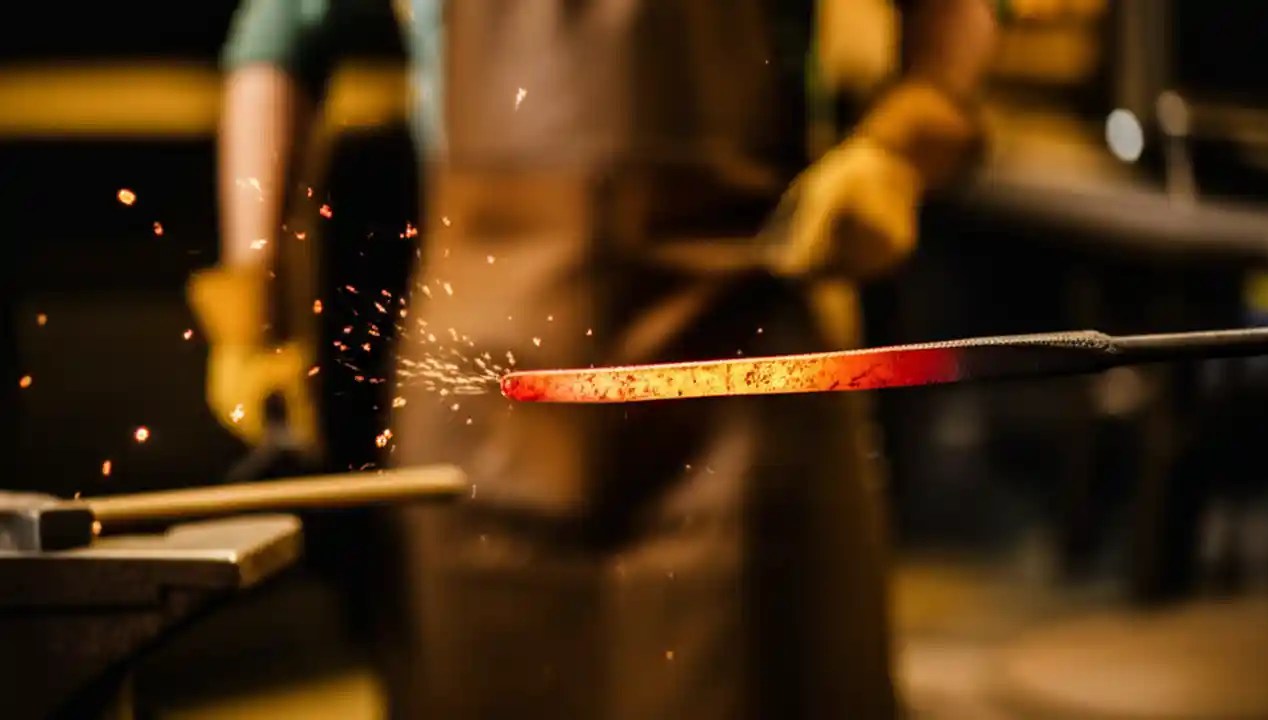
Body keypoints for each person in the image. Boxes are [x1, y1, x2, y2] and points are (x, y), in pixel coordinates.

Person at [194, 0, 999, 717]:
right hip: (482, 395)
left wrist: (903, 141)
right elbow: (279, 37)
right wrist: (251, 307)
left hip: (743, 383)